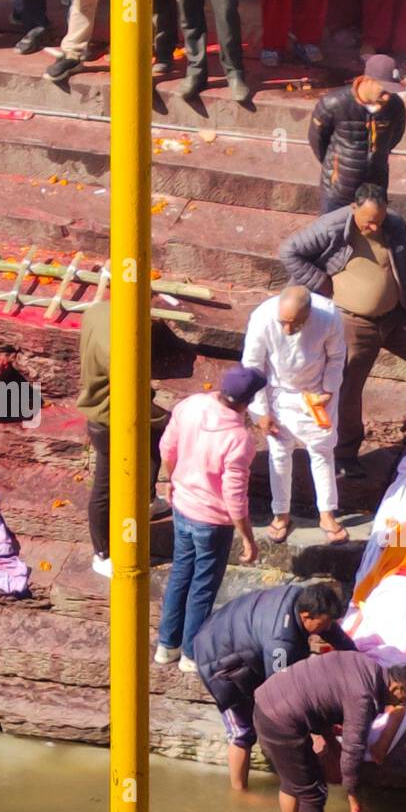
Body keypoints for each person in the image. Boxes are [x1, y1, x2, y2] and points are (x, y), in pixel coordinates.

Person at [280, 184, 406, 478]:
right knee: (348, 386)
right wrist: (321, 283)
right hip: (352, 323)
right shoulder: (331, 227)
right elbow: (289, 251)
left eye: (378, 220)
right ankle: (344, 453)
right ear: (354, 208)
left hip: (395, 317)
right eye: (368, 221)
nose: (373, 226)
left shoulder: (392, 224)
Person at [154, 365, 265, 674]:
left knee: (181, 573)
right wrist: (247, 537)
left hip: (183, 506)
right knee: (203, 586)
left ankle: (167, 645)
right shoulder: (238, 439)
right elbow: (234, 494)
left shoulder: (190, 405)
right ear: (249, 401)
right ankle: (191, 653)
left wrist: (169, 480)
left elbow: (167, 447)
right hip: (212, 521)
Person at [194, 580, 355, 790]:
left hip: (238, 635)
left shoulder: (303, 598)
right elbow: (279, 690)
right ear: (306, 617)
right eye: (323, 623)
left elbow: (334, 633)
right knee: (243, 732)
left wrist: (358, 661)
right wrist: (315, 731)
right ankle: (239, 792)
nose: (326, 628)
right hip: (217, 659)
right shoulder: (281, 642)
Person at [254, 650, 406, 812]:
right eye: (403, 700)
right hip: (281, 720)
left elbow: (322, 694)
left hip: (265, 701)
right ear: (398, 689)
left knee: (293, 781)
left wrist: (330, 739)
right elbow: (352, 752)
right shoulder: (363, 698)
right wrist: (353, 798)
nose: (398, 704)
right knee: (313, 793)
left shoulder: (363, 663)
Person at [240, 285, 349, 544]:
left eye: (294, 324)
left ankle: (326, 513)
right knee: (279, 454)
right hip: (278, 392)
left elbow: (336, 357)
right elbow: (253, 365)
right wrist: (261, 411)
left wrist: (328, 391)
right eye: (284, 323)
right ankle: (281, 514)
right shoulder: (263, 317)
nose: (287, 331)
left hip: (316, 394)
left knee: (322, 452)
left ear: (309, 314)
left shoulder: (328, 315)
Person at [75, 302, 169, 581]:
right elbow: (132, 388)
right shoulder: (118, 348)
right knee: (105, 486)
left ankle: (148, 499)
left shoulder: (98, 310)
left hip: (105, 403)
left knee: (154, 445)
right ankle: (102, 553)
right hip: (111, 416)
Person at [307, 54, 406, 213]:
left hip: (374, 190)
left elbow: (394, 137)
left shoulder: (395, 106)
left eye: (391, 91)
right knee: (332, 234)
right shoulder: (334, 103)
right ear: (367, 81)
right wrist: (336, 166)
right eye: (383, 90)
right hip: (338, 190)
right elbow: (317, 140)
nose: (387, 97)